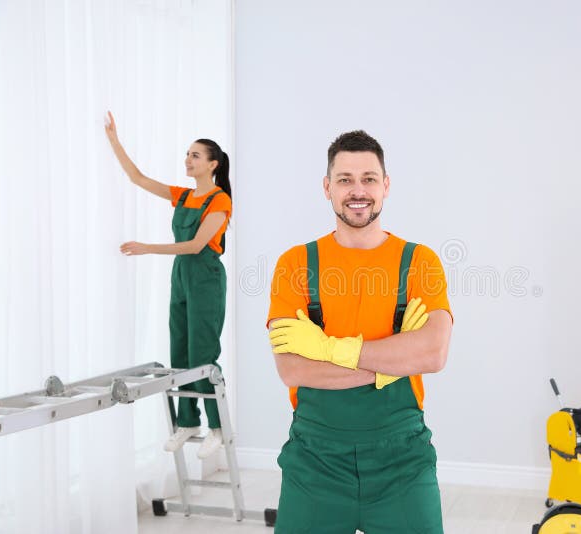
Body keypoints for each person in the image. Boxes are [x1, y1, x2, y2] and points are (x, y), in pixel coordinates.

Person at [266, 130, 453, 534]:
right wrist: (393, 363)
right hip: (314, 464)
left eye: (369, 178)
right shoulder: (295, 264)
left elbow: (434, 354)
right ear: (327, 187)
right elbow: (294, 370)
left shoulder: (419, 261)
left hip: (403, 462)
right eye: (345, 179)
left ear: (386, 185)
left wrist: (328, 348)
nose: (358, 190)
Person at [104, 112, 232, 459]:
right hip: (181, 276)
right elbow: (138, 178)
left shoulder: (219, 201)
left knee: (203, 354)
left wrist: (147, 248)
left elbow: (195, 246)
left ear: (213, 164)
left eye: (195, 155)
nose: (187, 160)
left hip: (204, 276)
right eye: (187, 154)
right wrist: (115, 140)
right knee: (180, 353)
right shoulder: (183, 196)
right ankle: (187, 423)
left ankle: (217, 428)